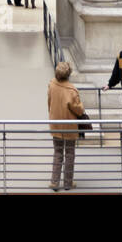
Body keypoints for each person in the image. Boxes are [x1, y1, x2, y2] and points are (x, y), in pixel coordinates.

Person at [47, 61, 85, 191]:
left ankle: (54, 182)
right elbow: (79, 110)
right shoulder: (72, 90)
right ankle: (68, 183)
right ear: (68, 74)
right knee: (69, 153)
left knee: (57, 152)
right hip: (69, 126)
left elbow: (49, 103)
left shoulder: (51, 85)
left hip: (55, 124)